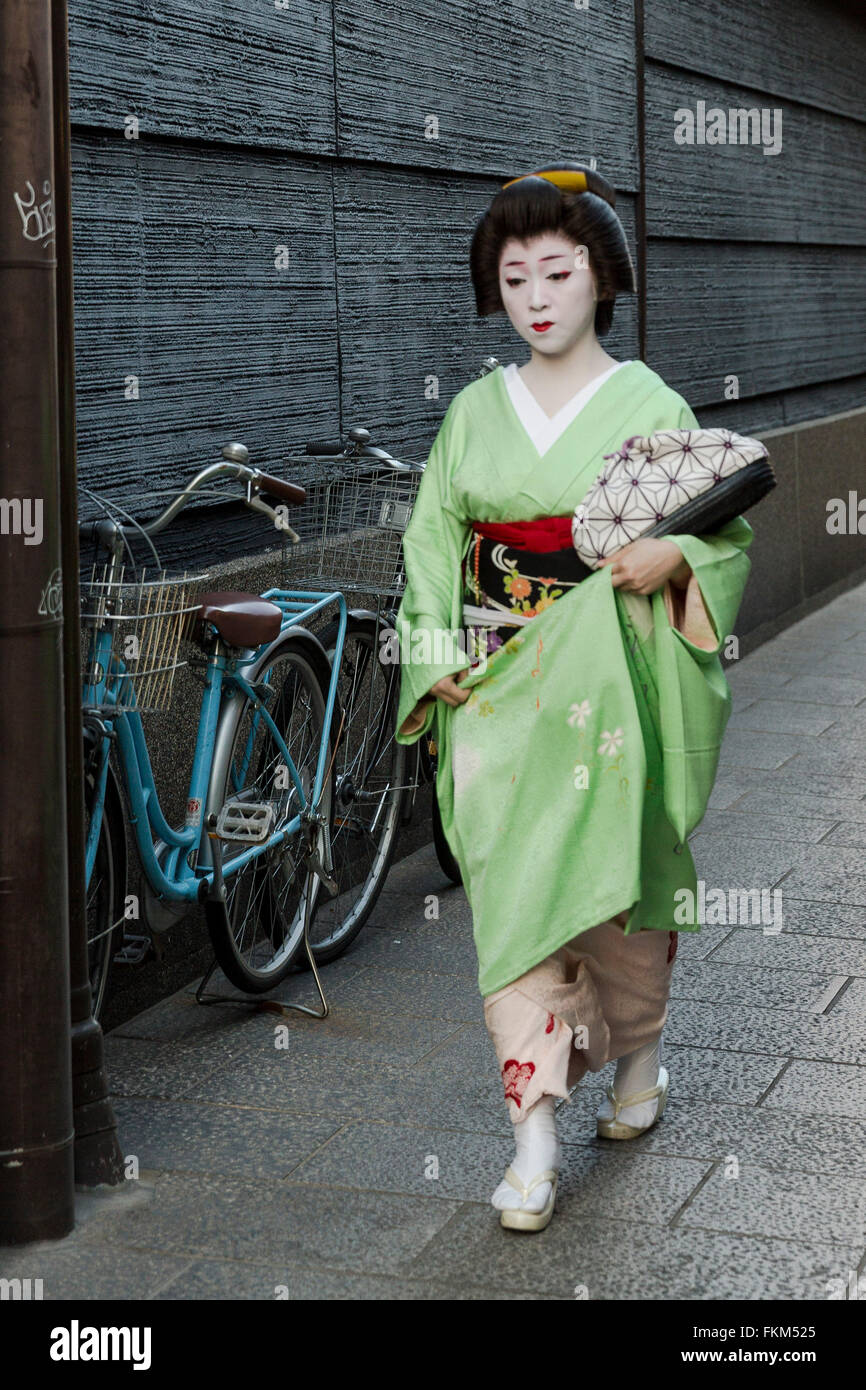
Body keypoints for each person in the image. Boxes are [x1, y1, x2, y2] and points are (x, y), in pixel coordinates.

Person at [393, 163, 753, 1233]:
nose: (536, 297)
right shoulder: (469, 414)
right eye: (513, 278)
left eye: (558, 271)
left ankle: (636, 1058)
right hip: (500, 689)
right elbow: (429, 541)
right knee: (513, 909)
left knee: (620, 899)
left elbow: (719, 526)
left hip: (616, 689)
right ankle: (532, 1140)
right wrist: (427, 650)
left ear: (601, 277)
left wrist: (670, 556)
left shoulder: (650, 403)